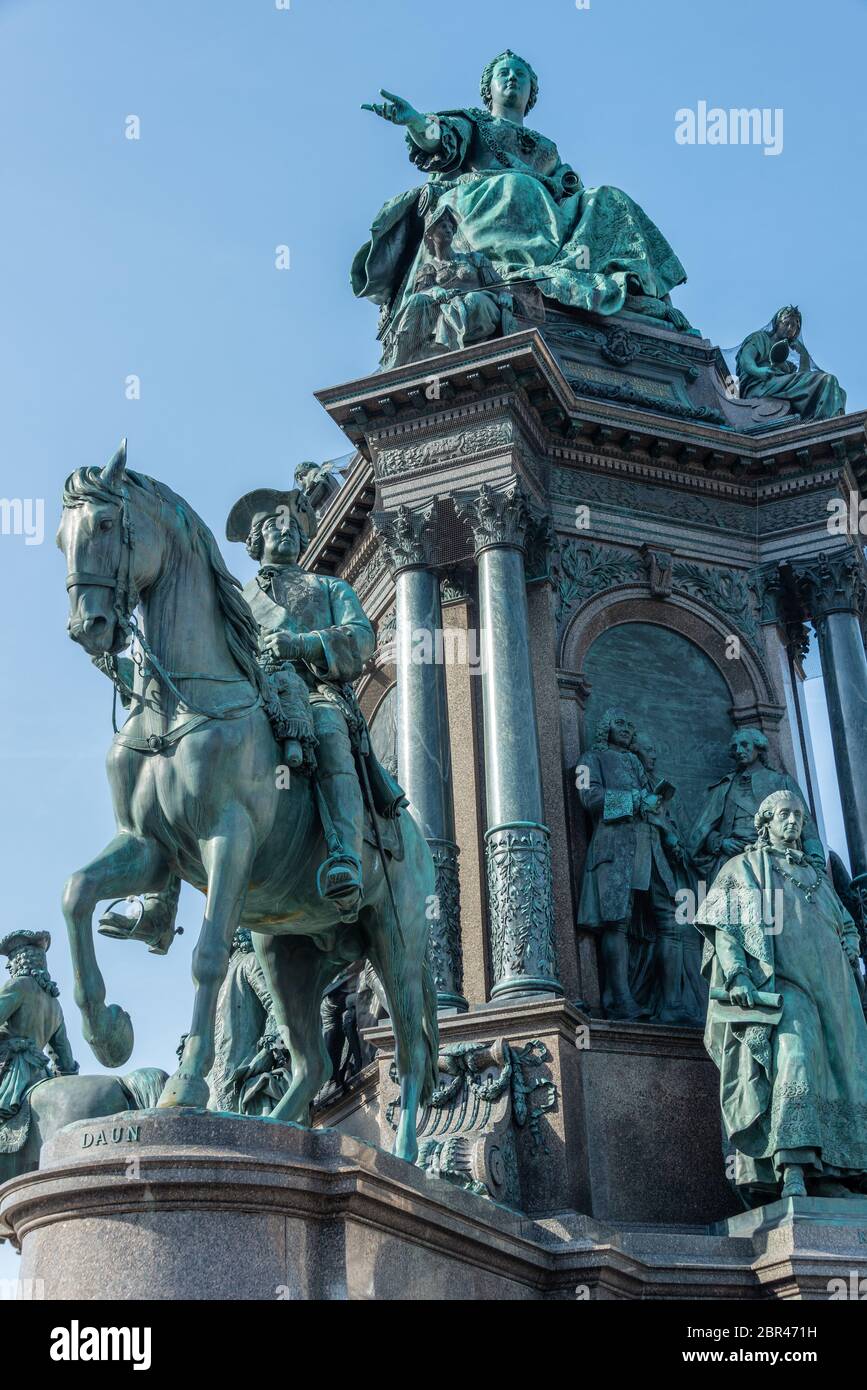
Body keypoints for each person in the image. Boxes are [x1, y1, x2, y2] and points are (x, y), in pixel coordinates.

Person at [355, 49, 691, 364]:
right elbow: (439, 138)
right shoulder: (474, 123)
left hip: (550, 210)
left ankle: (637, 285)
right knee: (517, 185)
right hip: (488, 195)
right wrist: (414, 121)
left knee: (611, 197)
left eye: (520, 75)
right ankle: (518, 272)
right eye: (503, 73)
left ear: (532, 92)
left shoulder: (548, 147)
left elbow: (566, 187)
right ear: (488, 89)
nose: (512, 78)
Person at [695, 790, 867, 1202]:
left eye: (799, 816)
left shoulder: (816, 876)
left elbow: (845, 924)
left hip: (835, 991)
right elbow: (726, 927)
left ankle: (833, 1173)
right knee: (795, 1056)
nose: (793, 822)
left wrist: (850, 942)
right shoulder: (743, 867)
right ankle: (791, 1168)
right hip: (782, 985)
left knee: (843, 1072)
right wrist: (737, 974)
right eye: (784, 814)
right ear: (766, 821)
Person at [575, 709, 679, 1020]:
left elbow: (651, 804)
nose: (626, 729)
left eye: (630, 725)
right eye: (619, 723)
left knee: (670, 920)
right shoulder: (590, 759)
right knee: (617, 921)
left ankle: (672, 1004)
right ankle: (619, 998)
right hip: (616, 848)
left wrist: (667, 831)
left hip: (651, 848)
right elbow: (589, 797)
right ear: (605, 727)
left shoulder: (635, 762)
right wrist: (635, 800)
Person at [691, 727, 823, 886]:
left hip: (776, 856)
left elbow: (806, 826)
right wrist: (721, 842)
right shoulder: (725, 786)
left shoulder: (781, 781)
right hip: (733, 860)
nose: (739, 750)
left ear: (758, 747)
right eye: (735, 747)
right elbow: (702, 831)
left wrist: (817, 860)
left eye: (744, 745)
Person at [0, 930, 78, 1124]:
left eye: (11, 959)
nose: (8, 965)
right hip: (40, 1075)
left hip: (12, 1072)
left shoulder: (17, 986)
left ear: (21, 960)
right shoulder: (55, 1004)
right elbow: (65, 1061)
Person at [735, 305, 846, 421]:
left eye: (793, 326)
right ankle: (824, 422)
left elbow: (804, 378)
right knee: (827, 380)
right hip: (760, 386)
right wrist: (759, 371)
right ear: (777, 323)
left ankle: (825, 421)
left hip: (776, 384)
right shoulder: (760, 338)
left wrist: (803, 354)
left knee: (839, 393)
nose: (789, 328)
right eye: (786, 323)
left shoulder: (786, 364)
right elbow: (745, 359)